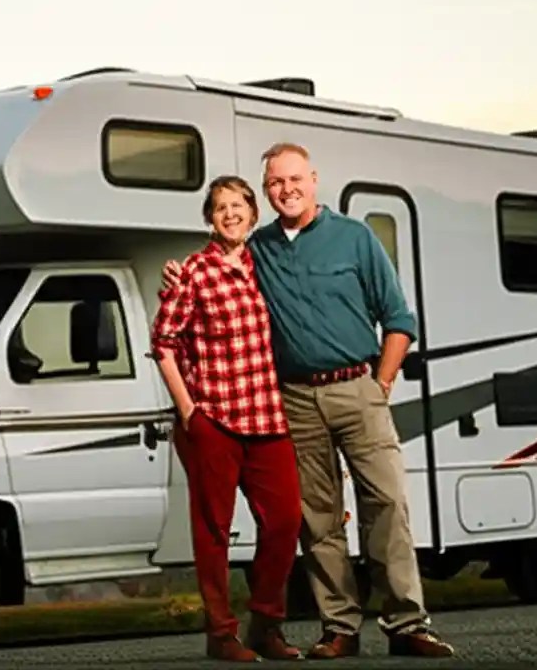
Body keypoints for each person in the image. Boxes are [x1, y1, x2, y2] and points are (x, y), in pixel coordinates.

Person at [162, 143, 456, 659]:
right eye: (275, 182)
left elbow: (399, 320)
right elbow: (211, 269)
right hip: (293, 398)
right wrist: (177, 274)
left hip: (358, 387)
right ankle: (339, 627)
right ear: (265, 194)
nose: (286, 189)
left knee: (386, 504)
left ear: (314, 179)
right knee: (317, 519)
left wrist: (380, 386)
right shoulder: (260, 249)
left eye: (294, 179)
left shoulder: (355, 237)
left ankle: (407, 623)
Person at [150, 174, 305, 663]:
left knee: (285, 521)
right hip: (213, 418)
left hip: (266, 417)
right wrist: (189, 411)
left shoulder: (267, 266)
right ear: (210, 218)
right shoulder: (195, 271)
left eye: (239, 205)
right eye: (221, 207)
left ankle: (266, 623)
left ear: (254, 215)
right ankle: (221, 633)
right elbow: (164, 342)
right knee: (213, 531)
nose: (231, 213)